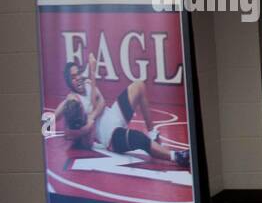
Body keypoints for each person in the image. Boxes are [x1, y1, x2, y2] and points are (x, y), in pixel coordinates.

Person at [54, 61, 189, 167]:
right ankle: (177, 157)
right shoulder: (71, 99)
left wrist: (92, 117)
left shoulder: (89, 84)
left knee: (139, 85)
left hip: (113, 115)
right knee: (139, 139)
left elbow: (101, 101)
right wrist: (43, 133)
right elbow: (54, 123)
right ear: (68, 82)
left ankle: (152, 132)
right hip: (109, 136)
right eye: (73, 77)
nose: (78, 78)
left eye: (78, 74)